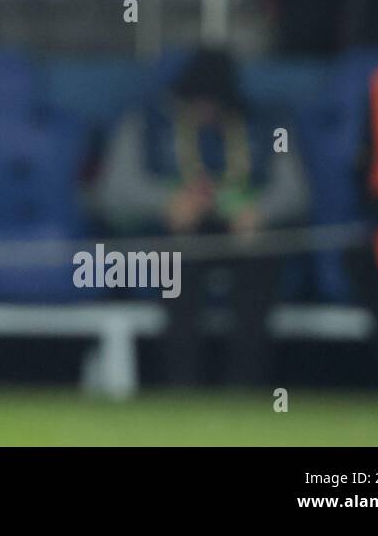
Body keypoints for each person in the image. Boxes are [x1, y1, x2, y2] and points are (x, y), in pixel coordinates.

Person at [97, 49, 309, 386]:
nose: (206, 112)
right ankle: (182, 387)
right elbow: (112, 192)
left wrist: (261, 212)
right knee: (176, 265)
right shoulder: (145, 121)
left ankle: (245, 388)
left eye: (214, 104)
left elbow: (295, 190)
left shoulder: (269, 124)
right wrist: (165, 203)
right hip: (177, 238)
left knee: (264, 263)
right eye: (197, 103)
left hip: (246, 237)